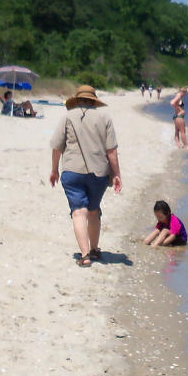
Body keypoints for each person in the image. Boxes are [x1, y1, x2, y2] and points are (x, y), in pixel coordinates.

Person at [49, 84, 122, 267]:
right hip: (98, 172)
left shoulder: (67, 117)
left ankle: (85, 255)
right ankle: (95, 249)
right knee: (93, 210)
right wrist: (116, 174)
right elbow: (111, 151)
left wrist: (54, 170)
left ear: (77, 99)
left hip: (72, 171)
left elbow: (57, 147)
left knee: (78, 212)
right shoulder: (104, 117)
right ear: (94, 100)